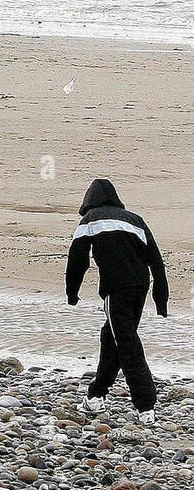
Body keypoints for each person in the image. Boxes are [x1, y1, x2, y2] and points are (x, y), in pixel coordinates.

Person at [67, 178, 168, 425]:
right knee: (111, 337)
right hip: (140, 287)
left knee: (127, 343)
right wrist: (160, 297)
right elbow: (156, 259)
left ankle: (146, 406)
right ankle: (96, 394)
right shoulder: (135, 220)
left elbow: (77, 260)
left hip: (116, 290)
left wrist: (72, 293)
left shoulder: (90, 221)